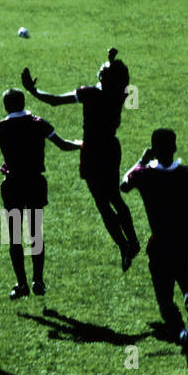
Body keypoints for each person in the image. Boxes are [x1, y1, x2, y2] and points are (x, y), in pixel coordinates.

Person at [21, 48, 142, 270]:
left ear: (104, 77)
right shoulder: (121, 93)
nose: (101, 71)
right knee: (114, 196)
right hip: (111, 148)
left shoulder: (90, 93)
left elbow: (55, 102)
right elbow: (119, 76)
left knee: (102, 203)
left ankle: (123, 245)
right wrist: (111, 61)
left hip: (92, 151)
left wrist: (33, 91)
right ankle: (132, 241)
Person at [0, 88, 81, 299]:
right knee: (35, 233)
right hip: (35, 182)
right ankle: (38, 279)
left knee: (15, 237)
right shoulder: (39, 123)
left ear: (5, 106)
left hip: (12, 185)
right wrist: (82, 144)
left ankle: (21, 284)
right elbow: (63, 145)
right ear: (23, 103)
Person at [120, 128, 188, 344]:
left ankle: (181, 332)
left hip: (161, 239)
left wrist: (141, 161)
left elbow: (124, 185)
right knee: (180, 261)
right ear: (174, 147)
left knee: (164, 299)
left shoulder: (143, 174)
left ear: (153, 150)